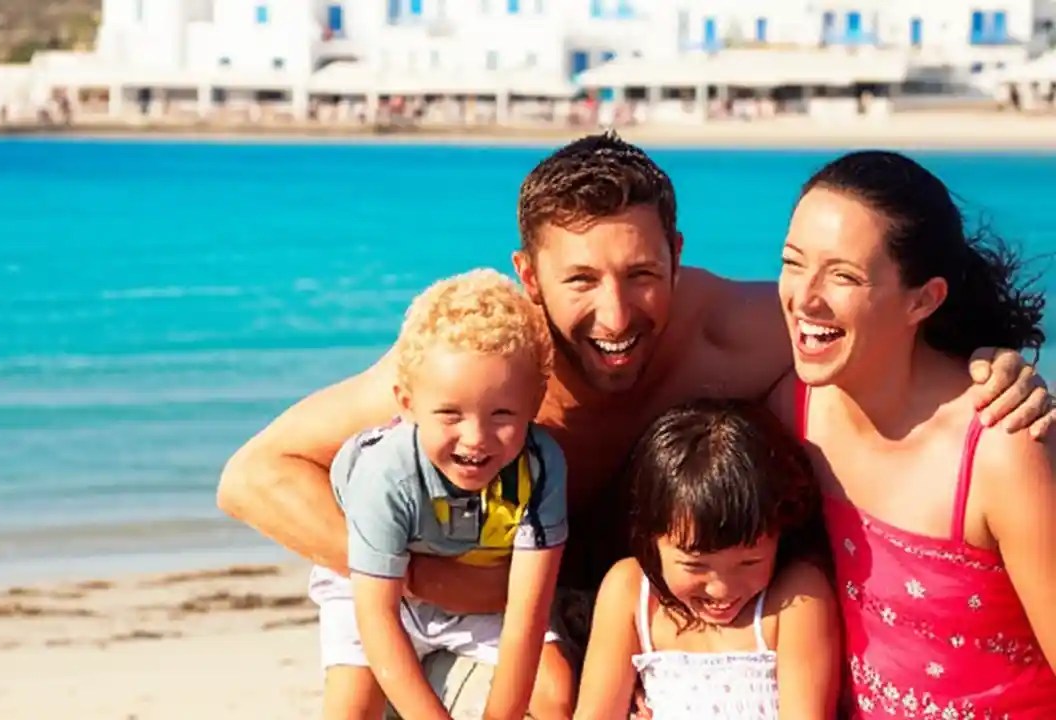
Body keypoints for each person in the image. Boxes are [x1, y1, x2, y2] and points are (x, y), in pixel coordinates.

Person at [219, 134, 1054, 699]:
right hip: (485, 597)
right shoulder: (494, 363)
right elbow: (253, 476)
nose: (616, 316)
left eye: (642, 274)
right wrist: (440, 583)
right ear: (529, 275)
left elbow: (873, 323)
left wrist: (990, 363)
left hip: (670, 602)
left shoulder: (742, 333)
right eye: (580, 281)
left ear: (678, 256)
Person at [770, 150, 1056, 716]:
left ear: (923, 299)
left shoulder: (999, 446)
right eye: (793, 262)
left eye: (844, 275)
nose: (805, 298)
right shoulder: (795, 410)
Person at [310, 269, 572, 720]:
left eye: (502, 414)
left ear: (535, 400)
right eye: (450, 414)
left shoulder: (541, 467)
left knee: (557, 695)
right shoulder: (384, 475)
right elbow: (377, 618)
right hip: (376, 588)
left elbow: (526, 614)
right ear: (407, 404)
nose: (476, 438)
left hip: (473, 592)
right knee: (350, 710)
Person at [574, 399, 838, 719]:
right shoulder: (631, 592)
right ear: (650, 538)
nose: (721, 590)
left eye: (749, 562)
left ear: (780, 535)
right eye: (695, 565)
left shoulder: (796, 598)